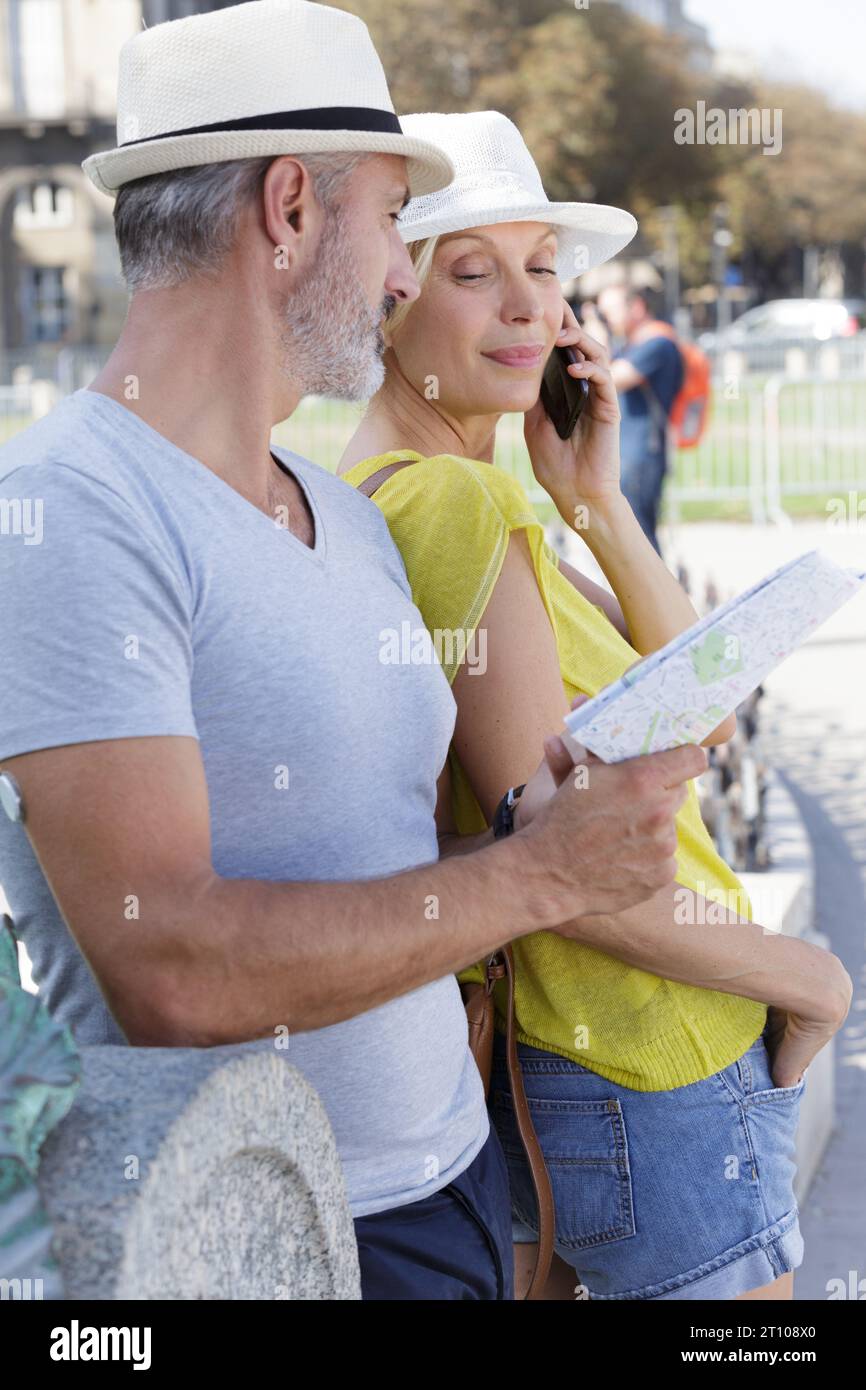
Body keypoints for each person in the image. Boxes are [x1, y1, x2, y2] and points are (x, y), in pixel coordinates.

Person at [0, 2, 702, 1302]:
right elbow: (172, 965)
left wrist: (546, 836)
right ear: (287, 208)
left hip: (451, 1188)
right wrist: (537, 875)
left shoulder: (349, 523)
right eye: (393, 220)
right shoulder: (72, 513)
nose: (398, 273)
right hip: (258, 1237)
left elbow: (361, 867)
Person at [336, 109, 852, 1301]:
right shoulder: (455, 508)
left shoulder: (435, 494)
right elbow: (555, 861)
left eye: (543, 269)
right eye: (474, 272)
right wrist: (800, 974)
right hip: (650, 1044)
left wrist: (593, 502)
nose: (530, 307)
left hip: (615, 1053)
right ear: (389, 295)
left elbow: (700, 718)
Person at [595, 283, 684, 554]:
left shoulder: (658, 343)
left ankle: (660, 595)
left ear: (636, 307)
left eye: (610, 311)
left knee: (641, 538)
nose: (607, 319)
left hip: (644, 453)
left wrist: (597, 339)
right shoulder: (632, 345)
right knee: (629, 538)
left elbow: (610, 380)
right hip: (631, 453)